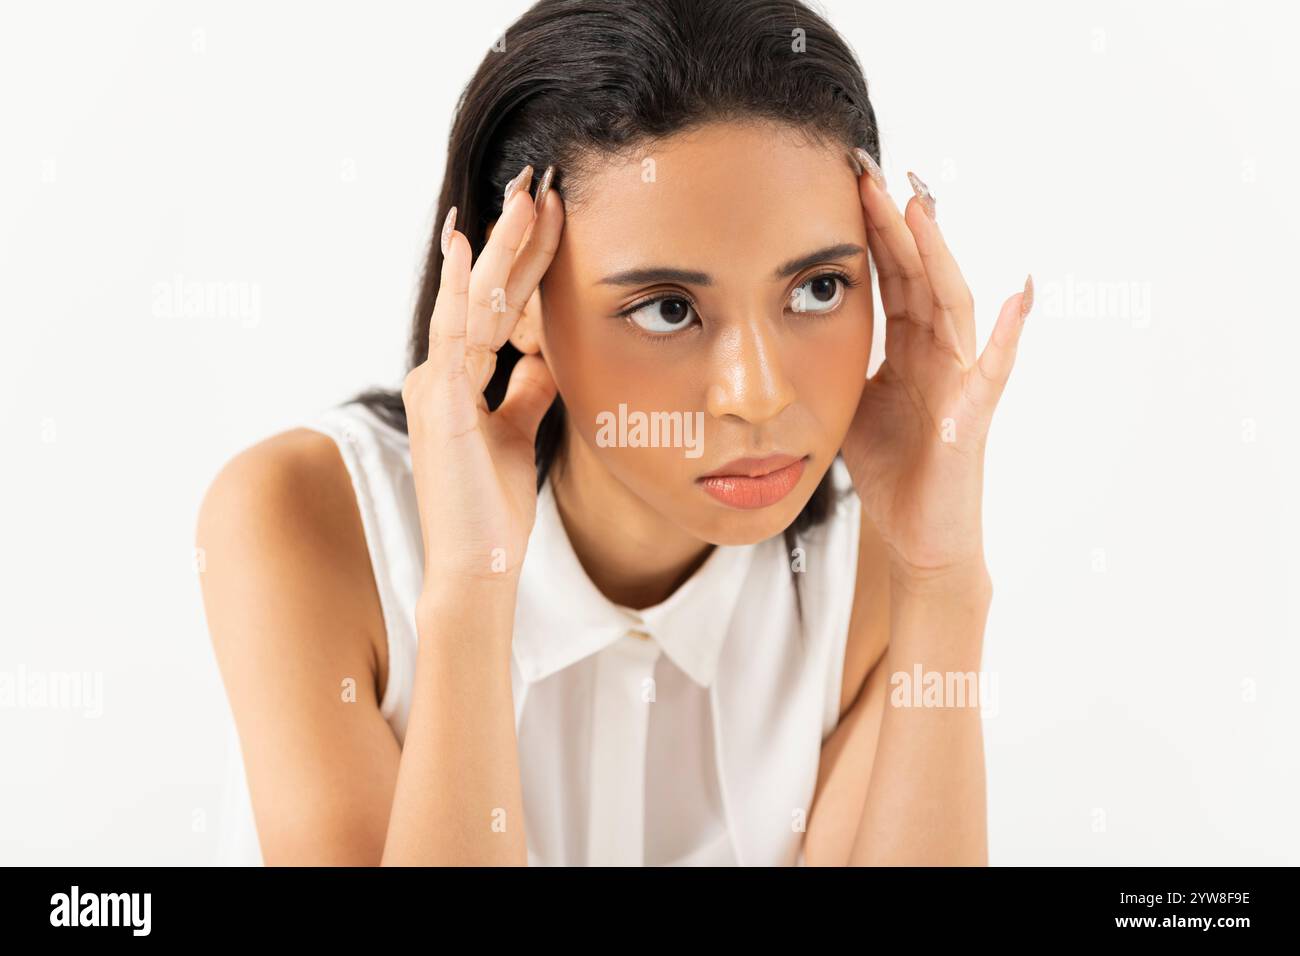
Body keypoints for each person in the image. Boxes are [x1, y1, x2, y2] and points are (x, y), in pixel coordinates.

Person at [197, 0, 1032, 866]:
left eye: (817, 289)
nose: (759, 394)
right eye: (669, 309)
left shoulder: (870, 572)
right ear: (513, 295)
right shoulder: (299, 522)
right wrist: (472, 597)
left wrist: (940, 583)